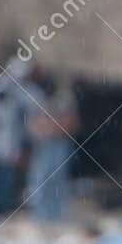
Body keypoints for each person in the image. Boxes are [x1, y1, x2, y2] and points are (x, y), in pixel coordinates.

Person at [24, 67, 79, 222]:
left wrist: (51, 127)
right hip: (42, 144)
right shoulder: (37, 98)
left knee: (58, 178)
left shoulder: (64, 99)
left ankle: (58, 213)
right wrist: (46, 128)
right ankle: (41, 214)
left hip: (59, 144)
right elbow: (34, 124)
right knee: (40, 178)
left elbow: (69, 123)